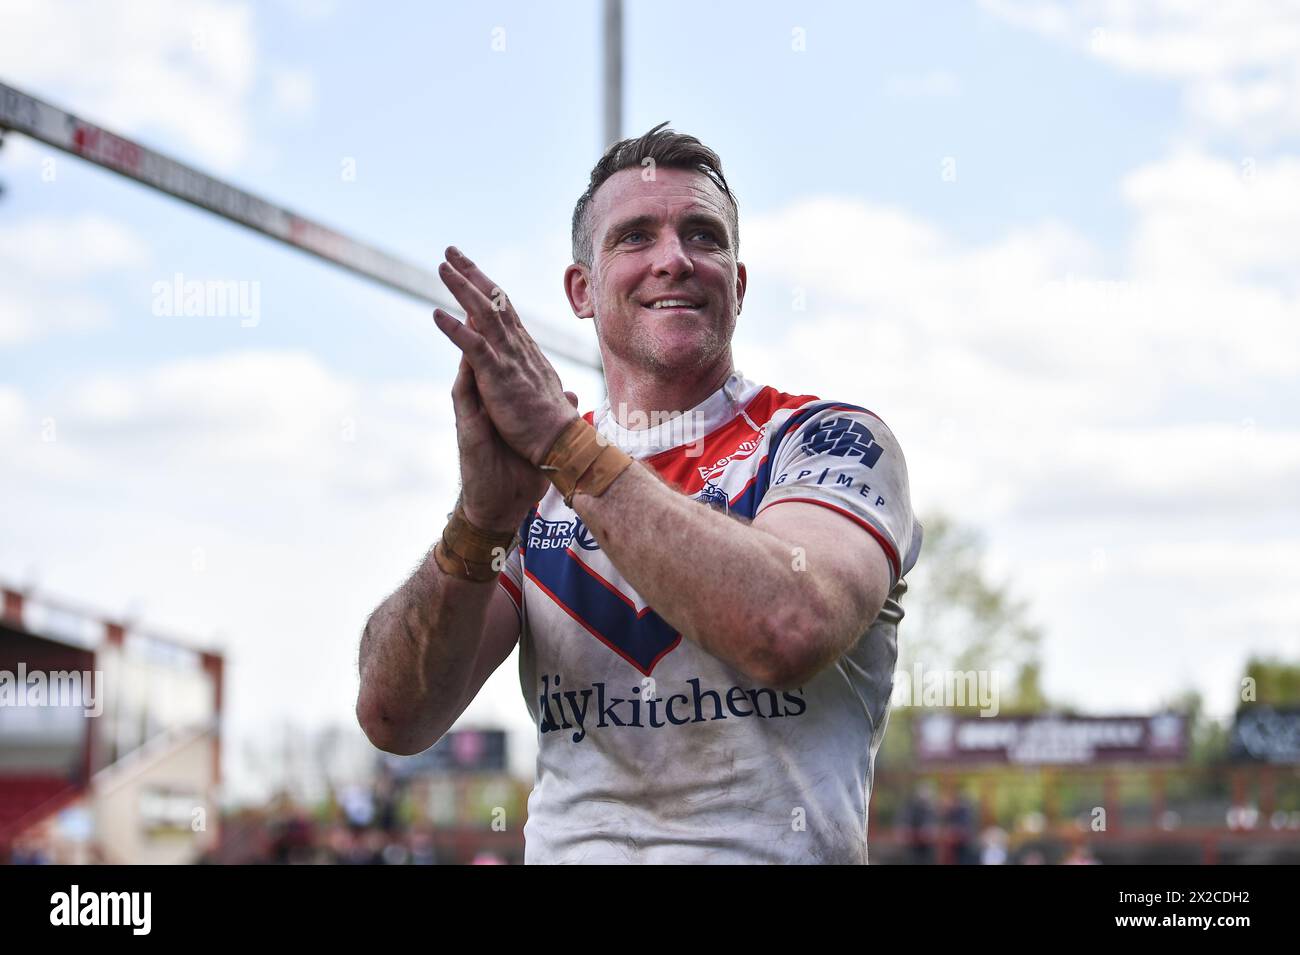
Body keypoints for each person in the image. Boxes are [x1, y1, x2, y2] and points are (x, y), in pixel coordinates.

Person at [356, 123, 923, 864]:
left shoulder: (823, 437)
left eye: (703, 236)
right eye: (634, 237)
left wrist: (571, 453)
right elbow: (395, 716)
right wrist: (480, 520)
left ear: (738, 284)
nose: (675, 260)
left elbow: (787, 625)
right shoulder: (534, 486)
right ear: (581, 291)